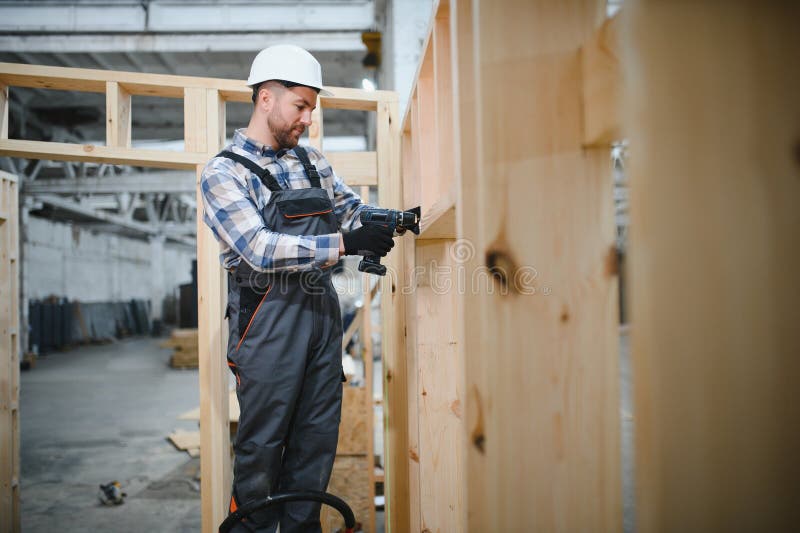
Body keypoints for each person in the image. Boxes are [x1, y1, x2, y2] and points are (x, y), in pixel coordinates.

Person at [200, 44, 395, 532]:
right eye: (300, 106)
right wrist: (348, 241)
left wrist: (389, 219)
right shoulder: (224, 172)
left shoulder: (313, 163)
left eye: (312, 107)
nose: (307, 118)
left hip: (319, 316)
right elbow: (260, 248)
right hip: (266, 322)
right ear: (266, 98)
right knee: (262, 447)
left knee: (316, 441)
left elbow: (352, 210)